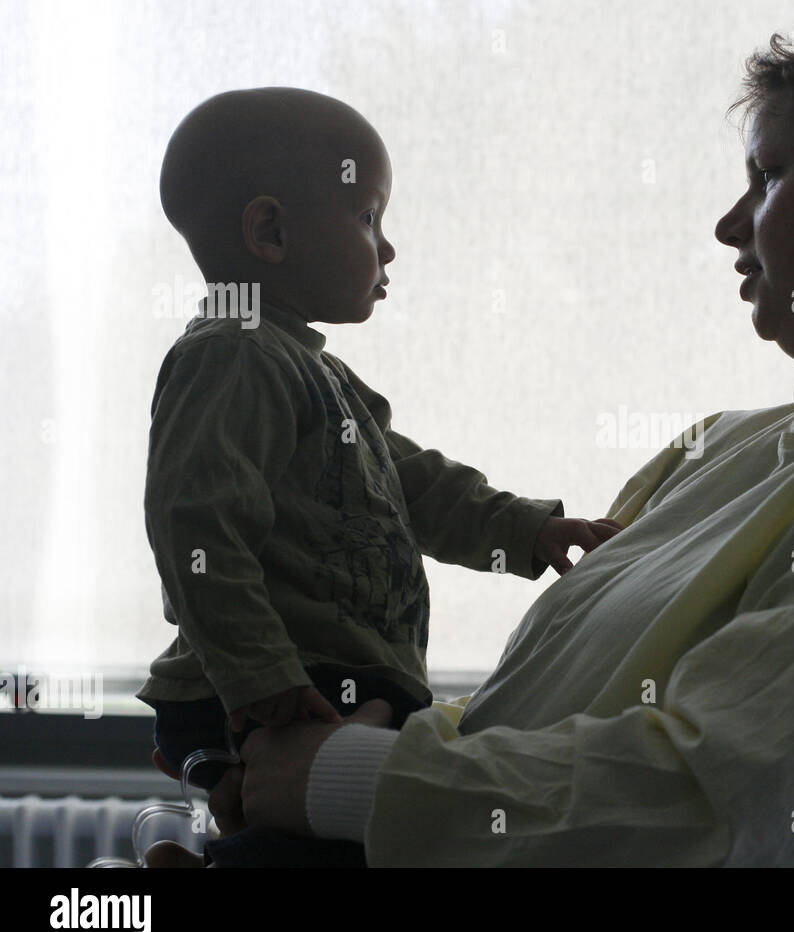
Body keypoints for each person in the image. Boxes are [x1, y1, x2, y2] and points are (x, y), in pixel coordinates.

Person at [150, 21, 794, 867]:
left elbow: (721, 805)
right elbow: (538, 727)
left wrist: (341, 779)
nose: (724, 225)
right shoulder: (720, 451)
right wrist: (324, 778)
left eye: (766, 176)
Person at [137, 88, 620, 865]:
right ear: (270, 231)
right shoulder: (231, 355)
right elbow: (195, 526)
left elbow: (419, 486)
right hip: (279, 682)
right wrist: (259, 677)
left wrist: (528, 528)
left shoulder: (318, 374)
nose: (386, 248)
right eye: (368, 218)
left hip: (336, 679)